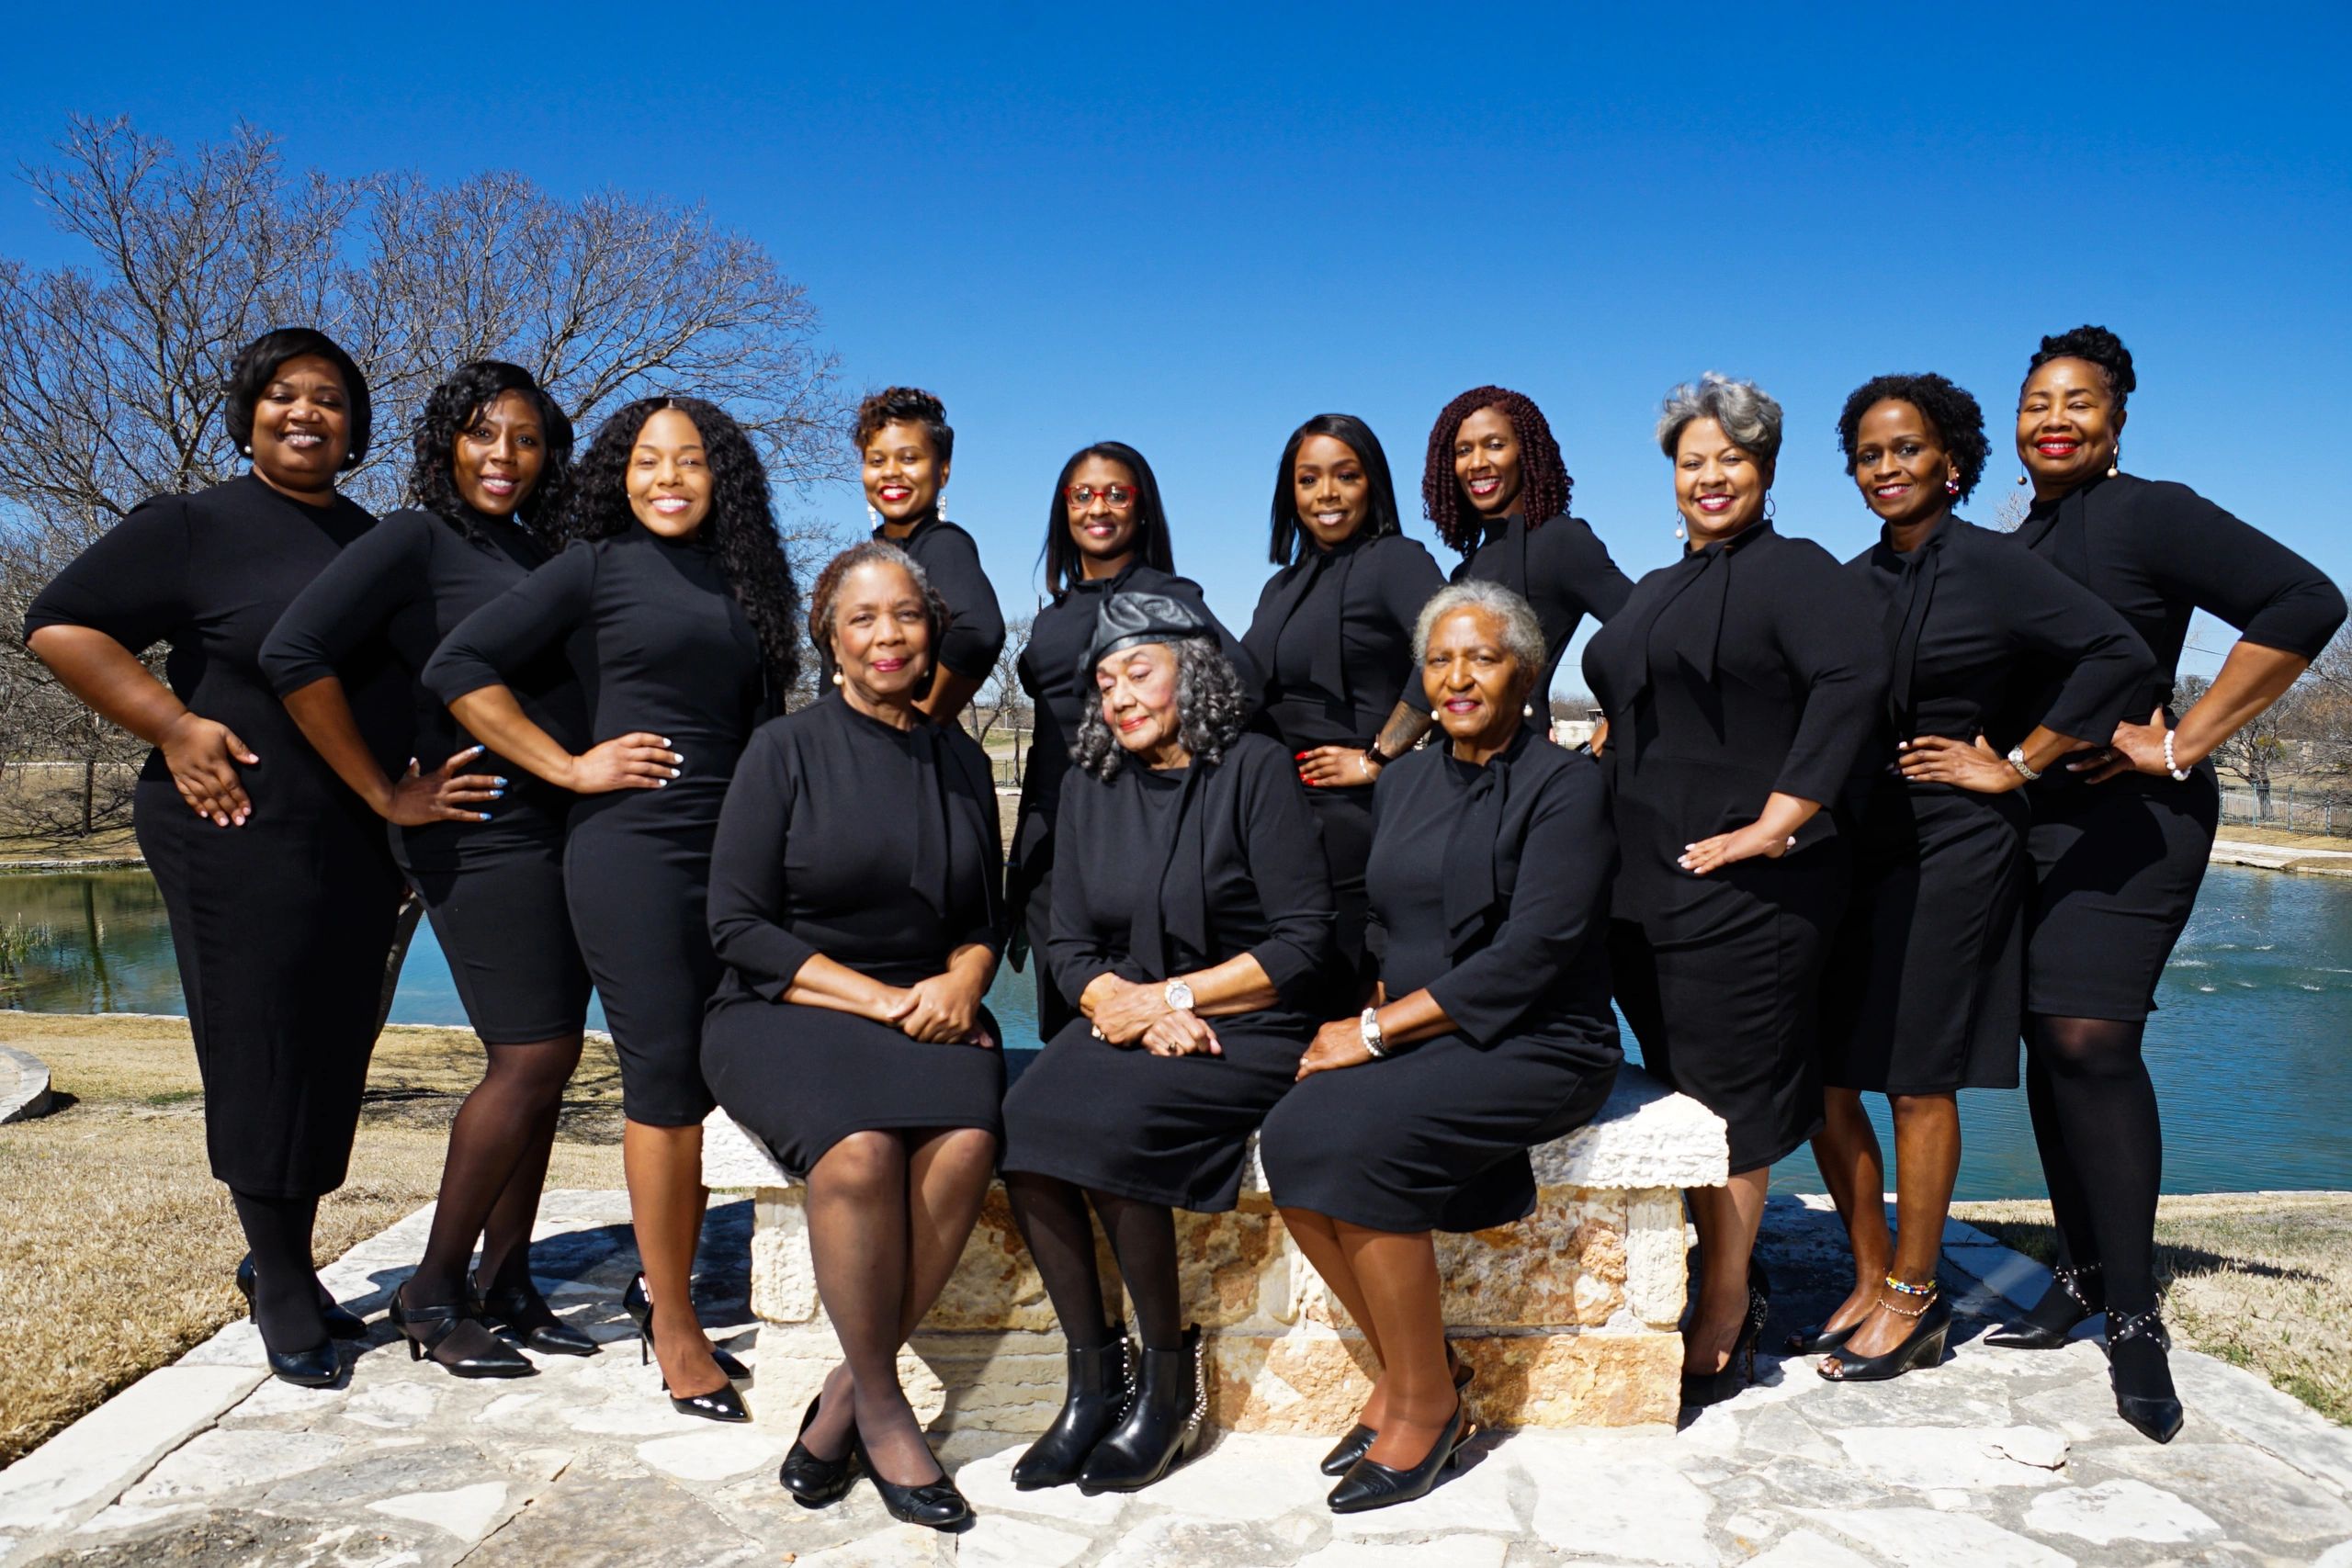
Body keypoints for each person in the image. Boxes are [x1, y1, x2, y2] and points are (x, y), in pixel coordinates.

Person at [24, 327, 409, 1387]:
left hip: (355, 835)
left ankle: (287, 1255)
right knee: (261, 1042)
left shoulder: (376, 543)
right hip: (233, 826)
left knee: (331, 1046)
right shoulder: (192, 526)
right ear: (247, 417)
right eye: (283, 394)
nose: (305, 412)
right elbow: (60, 624)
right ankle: (279, 1279)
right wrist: (173, 724)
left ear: (354, 429)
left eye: (329, 398)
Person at [1989, 326, 2345, 1442]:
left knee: (2091, 1039)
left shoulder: (2148, 511)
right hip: (2029, 820)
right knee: (2046, 1040)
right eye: (2036, 401)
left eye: (2077, 401)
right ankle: (2079, 1271)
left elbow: (2304, 601)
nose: (2054, 419)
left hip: (2133, 821)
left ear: (2117, 419)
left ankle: (2134, 1316)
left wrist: (2183, 740)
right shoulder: (2019, 536)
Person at [423, 395, 802, 1423]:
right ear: (618, 476)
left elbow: (763, 725)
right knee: (663, 1080)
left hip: (734, 856)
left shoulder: (748, 580)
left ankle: (662, 1283)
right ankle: (674, 1322)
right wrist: (568, 765)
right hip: (634, 854)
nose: (668, 478)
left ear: (723, 477)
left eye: (691, 460)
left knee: (716, 1070)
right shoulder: (591, 568)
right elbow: (457, 667)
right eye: (646, 460)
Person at [1800, 374, 2151, 1383]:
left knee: (1918, 1074)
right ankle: (1872, 1271)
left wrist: (2018, 763)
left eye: (1906, 449)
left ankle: (1916, 1300)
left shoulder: (1995, 567)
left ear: (1951, 462)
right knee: (1823, 1072)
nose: (1886, 468)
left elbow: (2117, 654)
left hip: (1957, 843)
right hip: (1859, 843)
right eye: (1868, 454)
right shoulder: (1849, 581)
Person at [262, 360, 595, 1378]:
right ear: (447, 440)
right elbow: (293, 652)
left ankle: (507, 1279)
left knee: (553, 1061)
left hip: (565, 826)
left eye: (527, 440)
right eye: (483, 434)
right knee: (530, 1056)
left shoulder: (542, 548)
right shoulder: (415, 538)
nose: (504, 457)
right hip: (478, 829)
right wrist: (382, 791)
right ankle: (433, 1289)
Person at [1261, 580, 1623, 1515]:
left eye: (1482, 658)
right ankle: (1422, 1368)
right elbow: (1388, 924)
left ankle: (1425, 1408)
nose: (1457, 677)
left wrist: (1374, 1033)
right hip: (1426, 1027)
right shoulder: (1405, 778)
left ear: (1526, 673)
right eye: (1439, 661)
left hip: (1542, 1039)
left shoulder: (1568, 786)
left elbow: (1533, 954)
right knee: (1293, 1134)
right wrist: (1375, 1014)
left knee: (1364, 1142)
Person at [1581, 373, 1884, 1406]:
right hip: (1641, 881)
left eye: (1732, 459)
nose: (1710, 477)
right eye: (1692, 461)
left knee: (1732, 1098)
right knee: (1679, 1082)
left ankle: (1722, 1304)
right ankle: (1717, 1264)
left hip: (1751, 887)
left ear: (1766, 468)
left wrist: (1780, 818)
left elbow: (1853, 680)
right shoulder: (1661, 584)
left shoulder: (1796, 571)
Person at [999, 591, 1333, 1495]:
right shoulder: (1090, 782)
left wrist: (1173, 996)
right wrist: (1125, 1002)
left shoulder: (1254, 769)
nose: (1119, 697)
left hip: (1248, 1022)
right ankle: (1092, 1380)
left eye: (1138, 673)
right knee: (1023, 1123)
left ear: (1195, 673)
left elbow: (1302, 942)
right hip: (1133, 1015)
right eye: (1105, 682)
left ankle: (1166, 1377)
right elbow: (1068, 942)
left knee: (1114, 1132)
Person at [701, 542, 1004, 1530]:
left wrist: (965, 978)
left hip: (928, 1009)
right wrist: (878, 1001)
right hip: (786, 1007)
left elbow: (984, 917)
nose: (887, 635)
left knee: (967, 1139)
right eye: (863, 617)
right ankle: (880, 1406)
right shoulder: (782, 750)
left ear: (932, 634)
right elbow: (736, 926)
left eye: (906, 615)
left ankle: (837, 1398)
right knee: (862, 1150)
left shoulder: (962, 758)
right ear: (828, 638)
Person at [1008, 443, 1257, 1044]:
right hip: (1053, 843)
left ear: (1142, 509)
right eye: (1083, 495)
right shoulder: (1052, 615)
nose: (1099, 507)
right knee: (1068, 1027)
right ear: (1064, 509)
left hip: (1136, 837)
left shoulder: (1168, 597)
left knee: (1146, 1020)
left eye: (1117, 494)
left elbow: (1245, 689)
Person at [1242, 413, 1446, 977]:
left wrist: (1377, 757)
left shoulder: (1397, 560)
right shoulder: (1279, 586)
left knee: (1340, 978)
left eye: (1346, 475)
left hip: (1353, 821)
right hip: (1276, 817)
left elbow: (1450, 653)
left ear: (1371, 483)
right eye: (1308, 479)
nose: (1326, 493)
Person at [1423, 384, 1633, 704]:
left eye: (1495, 445)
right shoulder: (1464, 572)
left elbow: (1650, 635)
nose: (1476, 462)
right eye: (1463, 451)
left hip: (1525, 735)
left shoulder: (1561, 541)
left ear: (1527, 452)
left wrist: (1615, 720)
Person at [855, 387, 1004, 726]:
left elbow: (979, 632)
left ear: (943, 471)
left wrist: (920, 719)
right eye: (877, 460)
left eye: (909, 458)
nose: (891, 471)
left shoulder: (940, 544)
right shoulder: (875, 556)